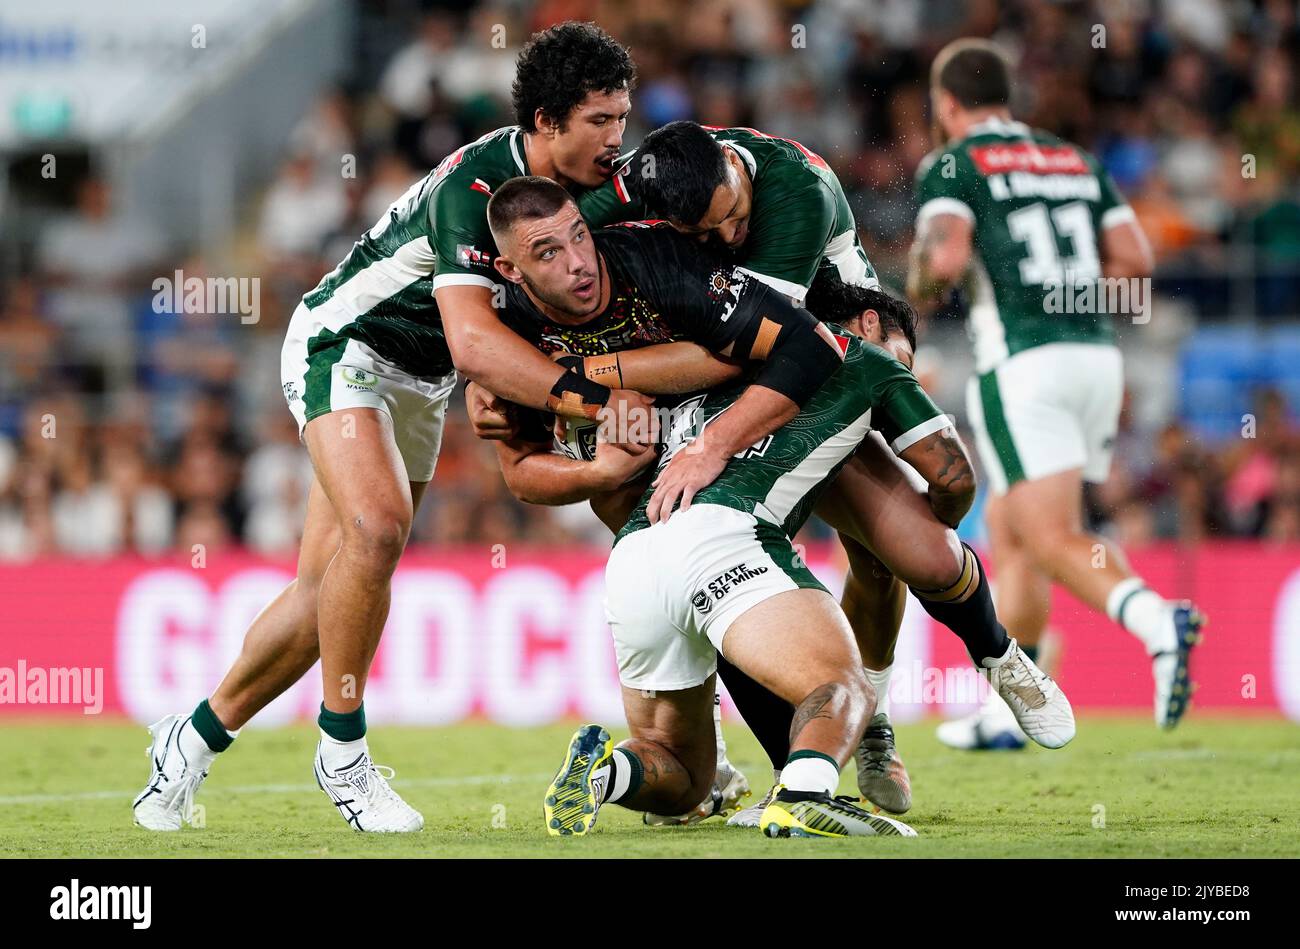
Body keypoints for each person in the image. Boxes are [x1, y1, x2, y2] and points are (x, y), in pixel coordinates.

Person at [132, 22, 652, 833]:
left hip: (420, 378)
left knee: (326, 591)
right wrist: (593, 400)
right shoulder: (477, 187)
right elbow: (477, 340)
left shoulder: (581, 187)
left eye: (623, 118)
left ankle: (190, 740)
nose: (617, 138)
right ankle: (344, 752)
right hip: (348, 344)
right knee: (378, 529)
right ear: (547, 122)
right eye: (601, 121)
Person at [475, 176, 1075, 837]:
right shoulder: (858, 355)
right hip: (714, 529)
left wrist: (590, 399)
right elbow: (954, 473)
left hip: (639, 554)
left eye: (577, 240)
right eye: (549, 252)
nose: (575, 261)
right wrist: (941, 502)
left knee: (683, 775)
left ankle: (611, 772)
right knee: (849, 667)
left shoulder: (683, 325)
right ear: (874, 323)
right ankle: (812, 779)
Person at [906, 38, 1205, 748]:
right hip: (1097, 358)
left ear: (947, 103)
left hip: (1023, 363)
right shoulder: (1073, 158)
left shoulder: (952, 162)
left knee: (1048, 535)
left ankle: (1154, 618)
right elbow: (1136, 259)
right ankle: (1013, 707)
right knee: (1011, 535)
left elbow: (943, 261)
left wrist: (917, 281)